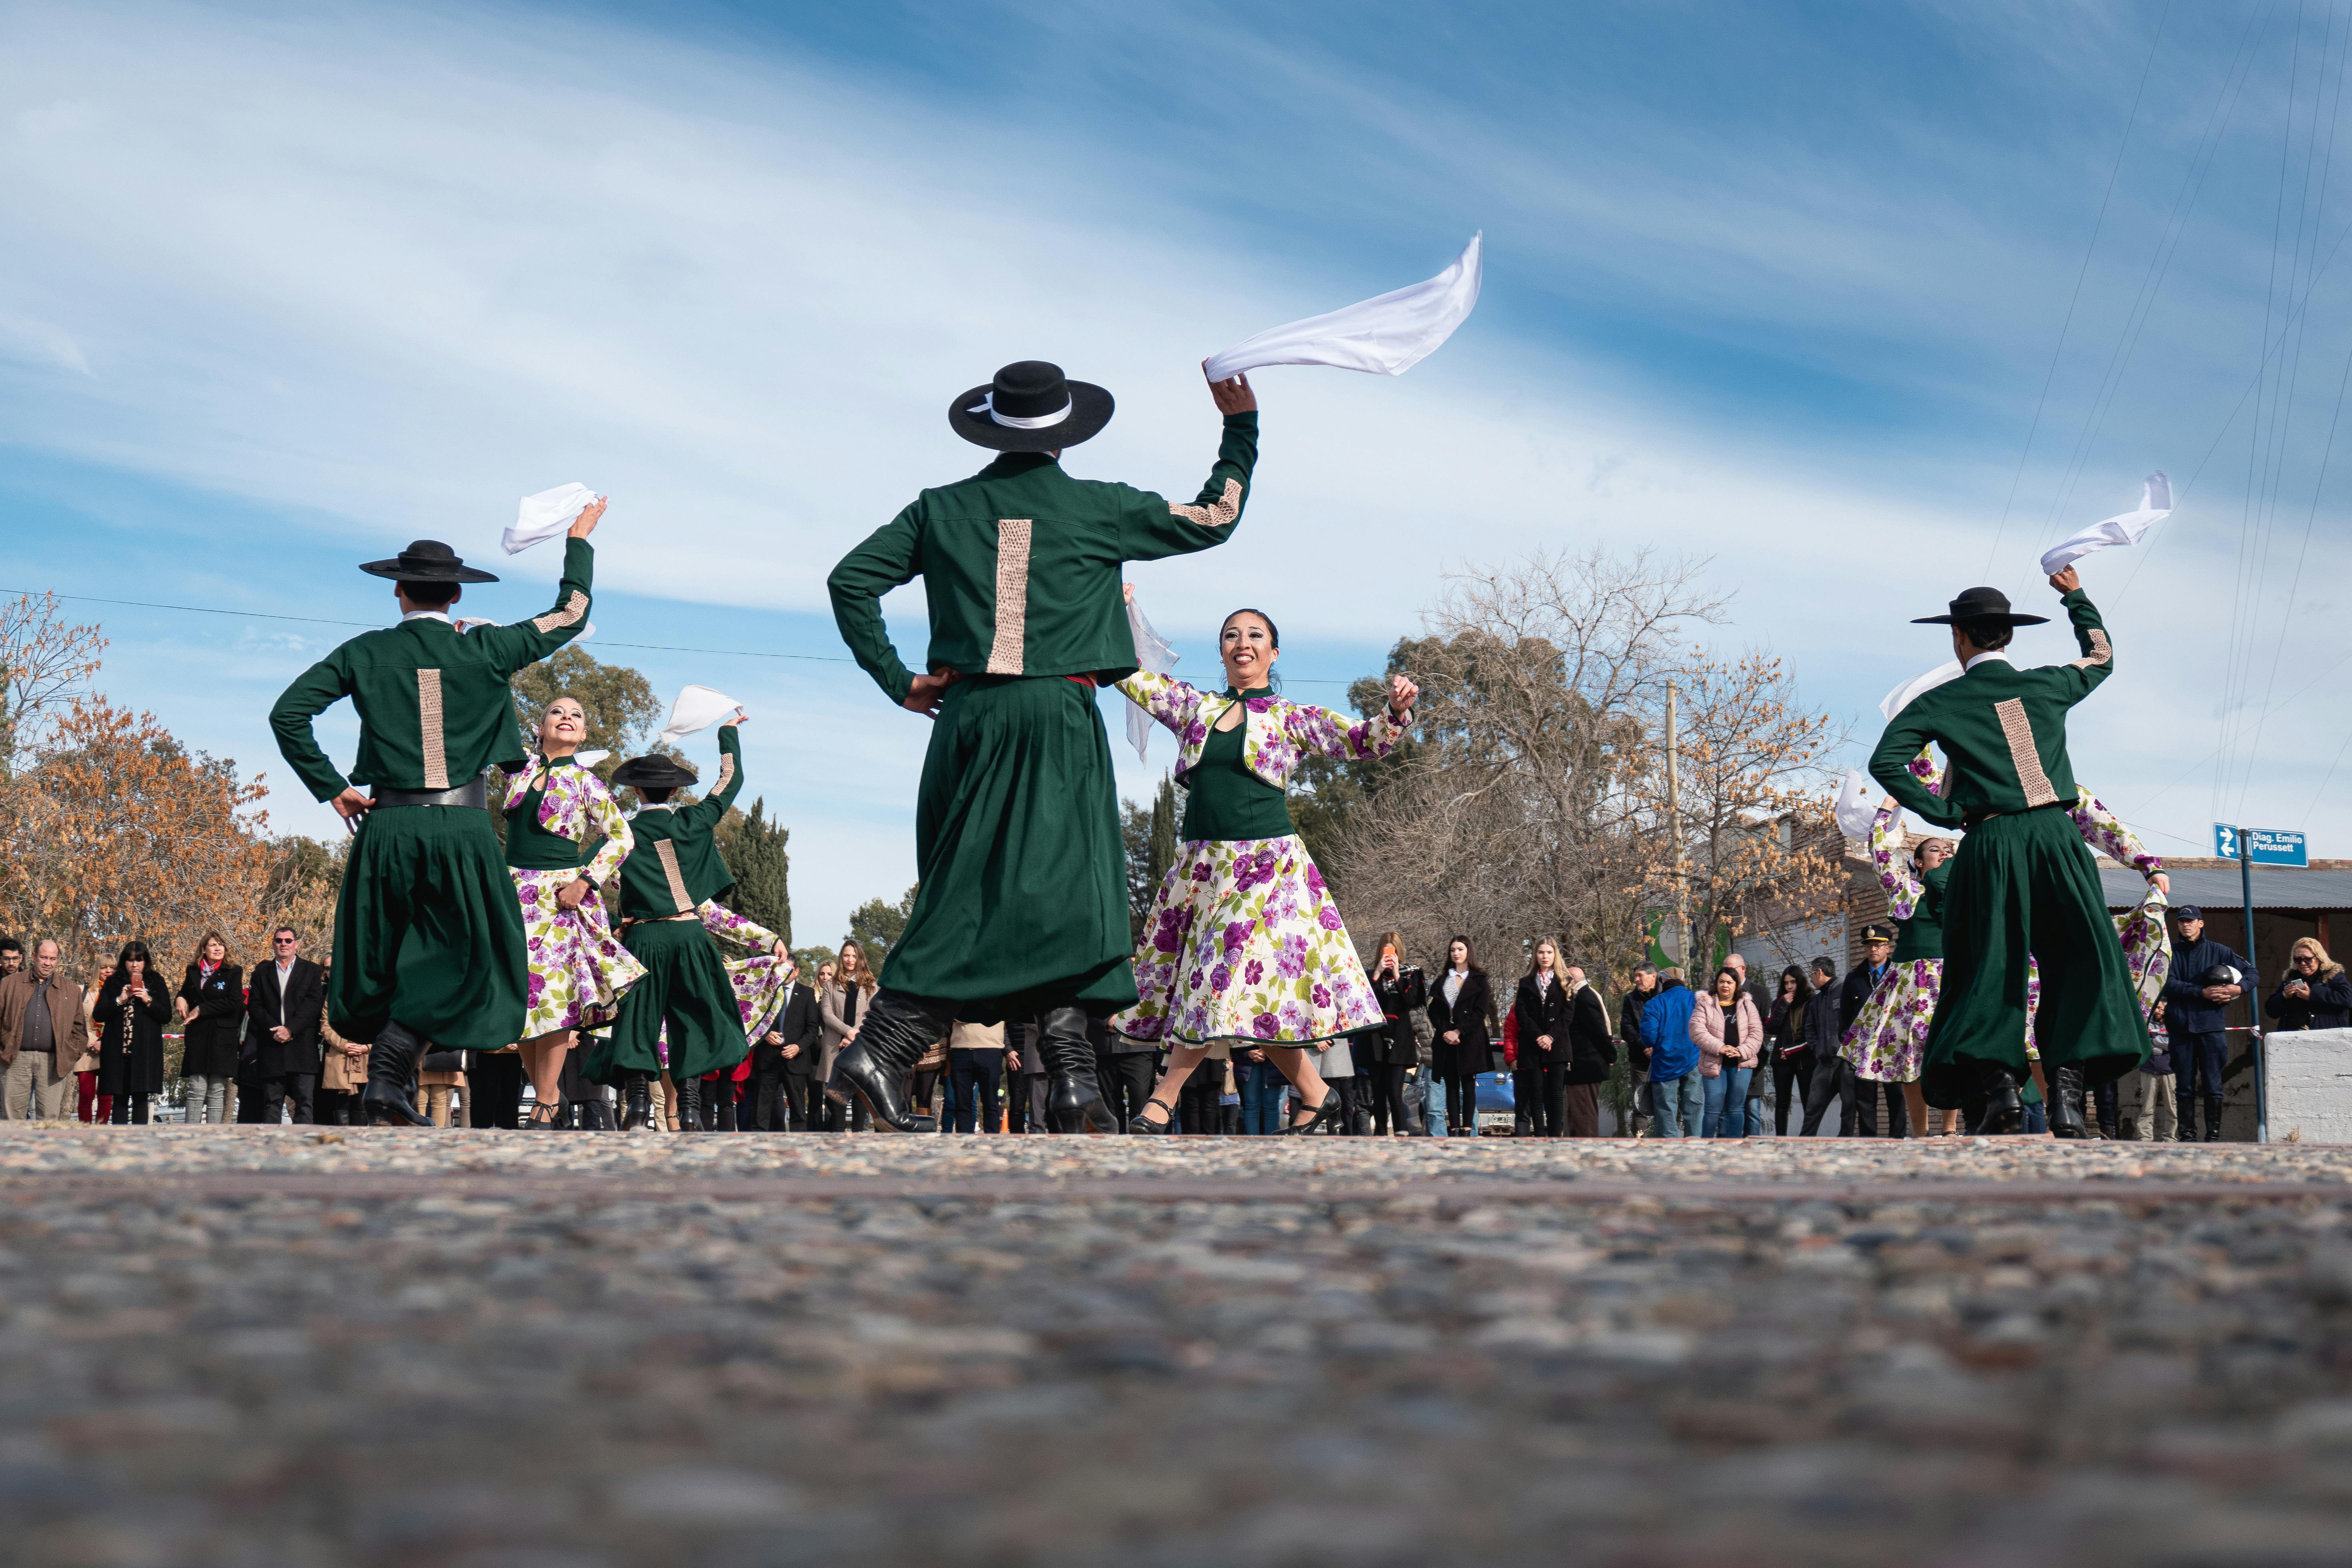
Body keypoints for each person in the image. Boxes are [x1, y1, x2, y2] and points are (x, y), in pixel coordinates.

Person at [827, 360, 1263, 1134]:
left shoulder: (940, 508)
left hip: (968, 721)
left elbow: (849, 581)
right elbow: (1214, 515)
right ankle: (884, 1049)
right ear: (1066, 433)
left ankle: (1073, 1082)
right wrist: (1240, 428)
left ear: (993, 426)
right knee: (1060, 894)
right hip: (1056, 718)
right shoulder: (1100, 508)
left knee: (995, 890)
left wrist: (900, 682)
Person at [269, 506, 603, 1124]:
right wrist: (577, 543)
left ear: (397, 591)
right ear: (455, 594)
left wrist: (333, 787)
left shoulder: (364, 652)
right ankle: (393, 1065)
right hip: (462, 829)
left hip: (387, 827)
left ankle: (388, 1078)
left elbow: (287, 714)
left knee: (389, 953)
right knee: (477, 955)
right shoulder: (489, 647)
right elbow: (571, 615)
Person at [1102, 604, 1415, 1135]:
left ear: (1273, 652)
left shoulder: (1288, 718)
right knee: (1248, 999)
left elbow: (1365, 741)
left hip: (1267, 869)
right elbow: (1126, 675)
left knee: (1215, 977)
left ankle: (1163, 1097)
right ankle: (1316, 1094)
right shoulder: (1193, 708)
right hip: (1202, 870)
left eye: (1254, 635)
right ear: (1221, 651)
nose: (1241, 642)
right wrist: (1110, 602)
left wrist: (1394, 709)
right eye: (1230, 635)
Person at [1868, 567, 2148, 1131]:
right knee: (2079, 960)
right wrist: (2076, 597)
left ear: (1959, 637)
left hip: (1990, 841)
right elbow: (2101, 656)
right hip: (2055, 838)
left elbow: (1885, 763)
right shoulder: (2047, 683)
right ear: (2009, 636)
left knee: (1985, 967)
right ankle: (2068, 1093)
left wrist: (1943, 812)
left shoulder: (1940, 700)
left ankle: (2000, 1091)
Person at [583, 720, 785, 1132]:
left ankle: (638, 1107)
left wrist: (614, 927)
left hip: (643, 938)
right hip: (690, 935)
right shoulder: (695, 822)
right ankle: (690, 1109)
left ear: (636, 791)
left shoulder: (621, 834)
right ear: (675, 791)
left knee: (637, 1018)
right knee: (694, 1018)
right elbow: (731, 780)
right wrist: (727, 732)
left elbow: (587, 879)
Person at [503, 695, 645, 1129]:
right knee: (524, 1004)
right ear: (540, 727)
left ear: (583, 736)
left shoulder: (587, 782)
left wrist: (586, 881)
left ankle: (545, 1102)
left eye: (576, 715)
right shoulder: (516, 769)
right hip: (512, 893)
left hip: (561, 896)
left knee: (552, 1000)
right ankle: (551, 1097)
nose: (566, 717)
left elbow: (622, 837)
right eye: (556, 712)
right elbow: (490, 713)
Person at [2160, 906, 2257, 1144]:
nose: (2186, 925)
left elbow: (2253, 974)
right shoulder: (2169, 953)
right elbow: (2166, 984)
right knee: (2184, 1086)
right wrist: (2201, 992)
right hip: (2181, 1028)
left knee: (2214, 1086)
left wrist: (2239, 988)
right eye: (2182, 921)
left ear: (2201, 924)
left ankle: (2213, 1137)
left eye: (2191, 921)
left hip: (2211, 1028)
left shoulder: (2219, 951)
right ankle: (2187, 1136)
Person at [246, 928, 326, 1125]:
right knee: (272, 1103)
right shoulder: (261, 973)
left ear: (296, 944)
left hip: (302, 1046)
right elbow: (255, 1006)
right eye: (279, 940)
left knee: (305, 1102)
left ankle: (306, 1148)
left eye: (288, 941)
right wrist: (276, 1029)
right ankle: (271, 1149)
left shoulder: (312, 970)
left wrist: (290, 1029)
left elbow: (314, 1003)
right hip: (272, 1045)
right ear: (273, 944)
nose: (284, 944)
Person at [0, 939, 85, 1121]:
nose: (48, 963)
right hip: (15, 1060)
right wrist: (3, 1050)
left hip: (53, 1062)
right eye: (44, 957)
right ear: (33, 957)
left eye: (53, 959)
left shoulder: (71, 989)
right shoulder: (9, 984)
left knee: (49, 1119)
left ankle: (45, 1151)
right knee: (11, 1119)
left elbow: (79, 1030)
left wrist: (70, 1054)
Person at [93, 942, 172, 1125]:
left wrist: (147, 999)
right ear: (124, 962)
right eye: (130, 960)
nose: (135, 965)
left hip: (144, 1052)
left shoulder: (156, 981)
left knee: (141, 1098)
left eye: (139, 960)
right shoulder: (114, 982)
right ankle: (118, 1142)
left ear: (146, 962)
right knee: (119, 1098)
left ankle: (141, 1142)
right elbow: (99, 1014)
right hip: (117, 1052)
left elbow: (166, 1016)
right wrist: (120, 1000)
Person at [1425, 937, 1494, 1139]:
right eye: (1453, 950)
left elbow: (1480, 1012)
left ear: (1468, 951)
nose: (1456, 953)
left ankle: (1467, 1129)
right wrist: (1446, 1031)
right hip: (1446, 1040)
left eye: (1461, 949)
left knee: (1469, 1084)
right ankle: (1454, 1127)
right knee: (1452, 1085)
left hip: (1470, 1039)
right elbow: (1434, 1010)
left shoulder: (1479, 979)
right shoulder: (1442, 980)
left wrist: (1459, 1032)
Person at [174, 932, 244, 1126]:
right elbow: (185, 991)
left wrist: (202, 1009)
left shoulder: (233, 971)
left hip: (222, 1037)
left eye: (221, 945)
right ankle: (190, 1134)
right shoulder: (193, 970)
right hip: (198, 1036)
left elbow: (235, 1002)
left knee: (216, 1090)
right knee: (196, 1089)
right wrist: (179, 998)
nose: (218, 948)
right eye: (213, 945)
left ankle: (214, 1134)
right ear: (204, 949)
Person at [1364, 933, 1426, 1136]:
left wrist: (1398, 974)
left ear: (1400, 952)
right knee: (1379, 1092)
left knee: (1395, 1091)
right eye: (1387, 950)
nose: (1391, 955)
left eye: (1394, 951)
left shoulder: (1413, 973)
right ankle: (1381, 1133)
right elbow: (1364, 1001)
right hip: (1375, 1040)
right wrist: (1379, 972)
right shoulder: (1370, 974)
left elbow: (1413, 1001)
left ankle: (1401, 1131)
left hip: (1400, 1039)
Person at [1510, 939, 1573, 1138]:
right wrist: (1538, 1036)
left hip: (1558, 1044)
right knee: (1535, 1094)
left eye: (1549, 953)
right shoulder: (1526, 981)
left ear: (1555, 955)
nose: (1545, 957)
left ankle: (1555, 1135)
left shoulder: (1566, 980)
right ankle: (1538, 1134)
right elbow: (1521, 1013)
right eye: (1541, 953)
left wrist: (1551, 1037)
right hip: (1532, 1044)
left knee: (1556, 1094)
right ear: (1535, 955)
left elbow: (1568, 1014)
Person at [1690, 967, 1761, 1138]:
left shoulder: (1747, 1005)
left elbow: (1757, 1033)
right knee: (1713, 1108)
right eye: (1721, 981)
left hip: (1741, 1065)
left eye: (1730, 982)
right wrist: (1719, 1047)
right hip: (1714, 1065)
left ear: (1737, 985)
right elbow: (1696, 1030)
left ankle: (1735, 1147)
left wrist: (1741, 1051)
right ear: (1716, 983)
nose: (1725, 986)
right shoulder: (1705, 1004)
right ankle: (1706, 1145)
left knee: (1736, 1109)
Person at [752, 955, 821, 1131]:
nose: (783, 974)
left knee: (798, 1112)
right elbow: (754, 1021)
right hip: (768, 1059)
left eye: (788, 970)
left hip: (796, 1060)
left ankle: (799, 1152)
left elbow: (812, 1029)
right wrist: (765, 1034)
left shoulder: (806, 994)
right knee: (761, 1112)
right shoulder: (765, 991)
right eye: (780, 970)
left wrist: (798, 1046)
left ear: (797, 972)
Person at [818, 943, 877, 1133]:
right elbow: (827, 1015)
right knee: (836, 1096)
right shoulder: (830, 986)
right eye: (846, 956)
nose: (850, 960)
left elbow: (872, 1014)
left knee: (860, 1093)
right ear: (841, 958)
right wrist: (847, 1031)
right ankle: (837, 1139)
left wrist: (854, 1035)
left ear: (860, 958)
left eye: (854, 956)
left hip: (861, 1045)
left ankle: (859, 1136)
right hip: (835, 1046)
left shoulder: (872, 985)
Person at [1640, 967, 1701, 1137]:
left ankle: (1668, 1151)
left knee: (1666, 1110)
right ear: (1684, 981)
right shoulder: (1696, 999)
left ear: (1662, 982)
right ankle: (1696, 1148)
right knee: (1695, 1108)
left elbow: (1649, 1038)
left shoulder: (1654, 1004)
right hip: (1693, 1060)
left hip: (1664, 1063)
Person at [1559, 965, 1615, 1137]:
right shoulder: (1584, 996)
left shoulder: (1584, 999)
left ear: (1572, 980)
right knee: (1577, 1115)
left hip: (1586, 1066)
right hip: (1582, 1067)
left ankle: (1589, 1155)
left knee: (1584, 1116)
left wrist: (1611, 1055)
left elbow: (1598, 1031)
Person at [1797, 957, 1848, 1135]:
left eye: (1812, 974)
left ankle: (1847, 1145)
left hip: (1845, 1062)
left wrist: (1845, 1046)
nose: (1811, 979)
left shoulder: (1845, 990)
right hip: (1824, 1063)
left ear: (1819, 972)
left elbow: (1856, 1022)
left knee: (1849, 1109)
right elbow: (1809, 1028)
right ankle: (1804, 1144)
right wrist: (1818, 1047)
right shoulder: (1817, 1001)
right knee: (1813, 1108)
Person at [1766, 967, 1813, 1137]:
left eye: (1793, 982)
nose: (1790, 987)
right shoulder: (1779, 1002)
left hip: (1804, 1058)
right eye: (1786, 983)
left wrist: (1793, 1050)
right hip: (1782, 1059)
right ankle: (1781, 1140)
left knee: (1808, 1102)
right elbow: (1772, 1028)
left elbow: (1811, 1034)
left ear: (1800, 982)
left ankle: (1808, 1139)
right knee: (1782, 1103)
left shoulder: (1811, 1001)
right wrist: (1783, 1005)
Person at [2268, 939, 2350, 1032]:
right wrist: (2284, 996)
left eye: (2308, 959)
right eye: (2298, 960)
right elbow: (2271, 1012)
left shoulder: (2333, 975)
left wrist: (2312, 995)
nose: (2303, 963)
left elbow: (2347, 999)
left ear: (2319, 958)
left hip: (2327, 1037)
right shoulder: (2291, 978)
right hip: (2293, 1040)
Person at [1619, 964, 1659, 1137]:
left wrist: (1657, 1048)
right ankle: (1640, 1141)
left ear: (1654, 976)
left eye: (1640, 975)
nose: (1636, 979)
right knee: (1640, 1103)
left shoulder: (1665, 996)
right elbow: (1627, 1028)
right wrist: (1645, 1046)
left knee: (1664, 1102)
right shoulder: (1630, 999)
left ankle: (1664, 1141)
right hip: (1640, 1059)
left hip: (1664, 1059)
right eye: (1635, 976)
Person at [2132, 999, 2177, 1143]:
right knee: (2147, 1108)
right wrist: (2153, 1046)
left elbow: (2176, 1044)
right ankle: (2145, 1137)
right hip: (2149, 1070)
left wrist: (2156, 1042)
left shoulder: (2174, 1024)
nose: (2158, 1011)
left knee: (2172, 1108)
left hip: (2169, 1071)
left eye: (2161, 1008)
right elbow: (2142, 1042)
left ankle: (2170, 1138)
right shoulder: (2146, 1024)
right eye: (2156, 1008)